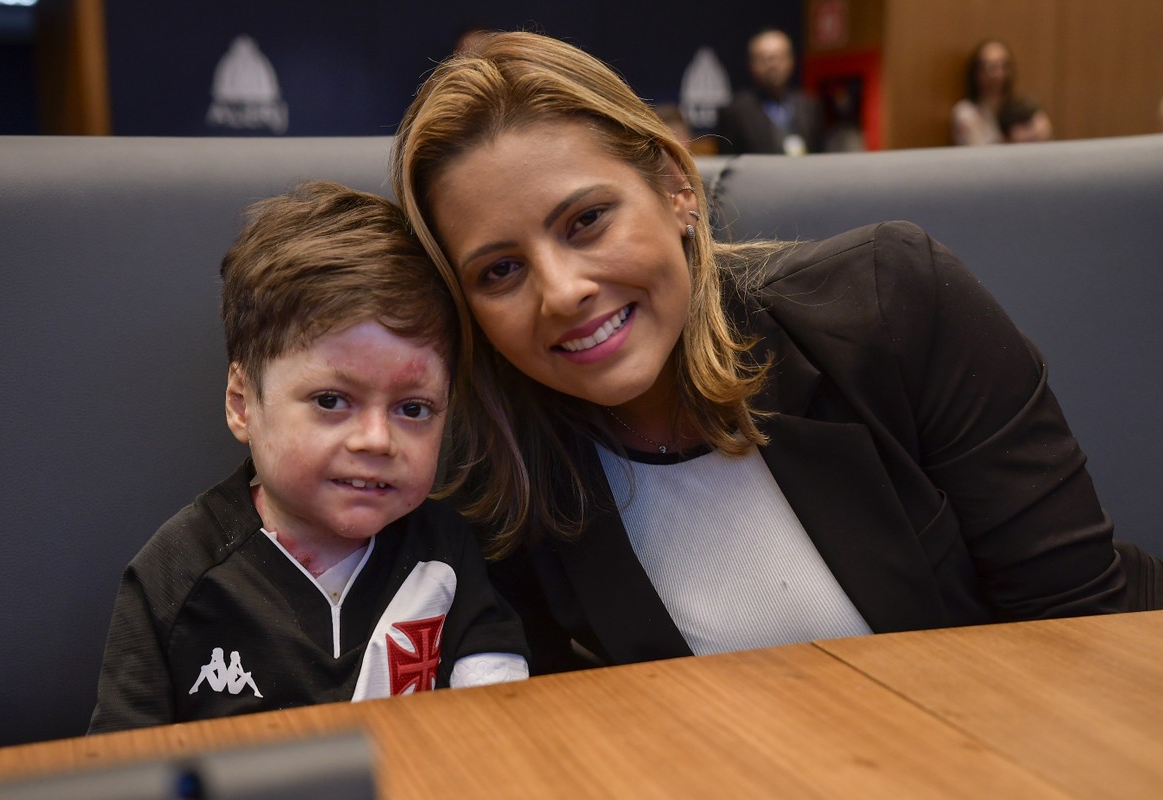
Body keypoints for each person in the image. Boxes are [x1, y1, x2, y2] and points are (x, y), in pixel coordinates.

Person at [390, 31, 1158, 674]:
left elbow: (1080, 632)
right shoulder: (492, 475)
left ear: (674, 186)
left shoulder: (892, 305)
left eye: (586, 220)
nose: (560, 293)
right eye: (500, 271)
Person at [88, 182, 529, 732]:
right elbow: (122, 763)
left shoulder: (445, 551)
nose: (376, 440)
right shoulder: (176, 576)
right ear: (242, 405)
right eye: (330, 401)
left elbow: (500, 705)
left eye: (413, 409)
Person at [716, 28, 824, 155]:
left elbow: (819, 155)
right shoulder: (735, 112)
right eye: (765, 59)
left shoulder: (809, 105)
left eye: (779, 57)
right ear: (752, 64)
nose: (773, 65)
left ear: (791, 61)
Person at [951, 39, 1044, 146]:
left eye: (1004, 66)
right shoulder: (965, 112)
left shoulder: (1022, 107)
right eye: (991, 67)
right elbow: (978, 153)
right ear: (976, 72)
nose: (998, 74)